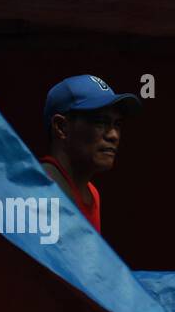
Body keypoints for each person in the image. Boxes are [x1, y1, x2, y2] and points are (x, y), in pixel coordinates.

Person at [41, 75, 141, 233]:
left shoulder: (92, 193)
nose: (113, 135)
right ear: (61, 127)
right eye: (100, 122)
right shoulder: (40, 188)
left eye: (117, 124)